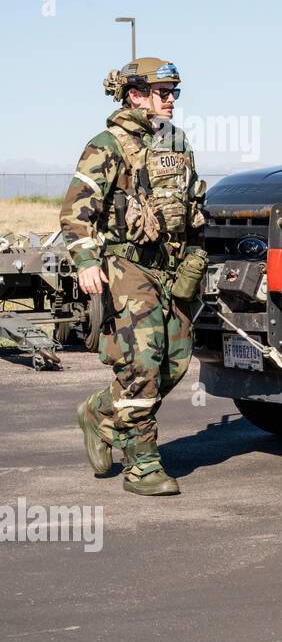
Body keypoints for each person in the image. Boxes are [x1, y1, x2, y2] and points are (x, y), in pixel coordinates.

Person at [63, 57, 208, 496]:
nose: (170, 101)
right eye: (162, 93)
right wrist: (87, 262)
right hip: (126, 265)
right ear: (135, 96)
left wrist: (197, 254)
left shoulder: (177, 143)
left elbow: (191, 204)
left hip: (172, 266)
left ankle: (99, 412)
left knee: (174, 361)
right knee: (142, 362)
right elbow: (76, 210)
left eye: (174, 93)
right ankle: (142, 465)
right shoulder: (106, 145)